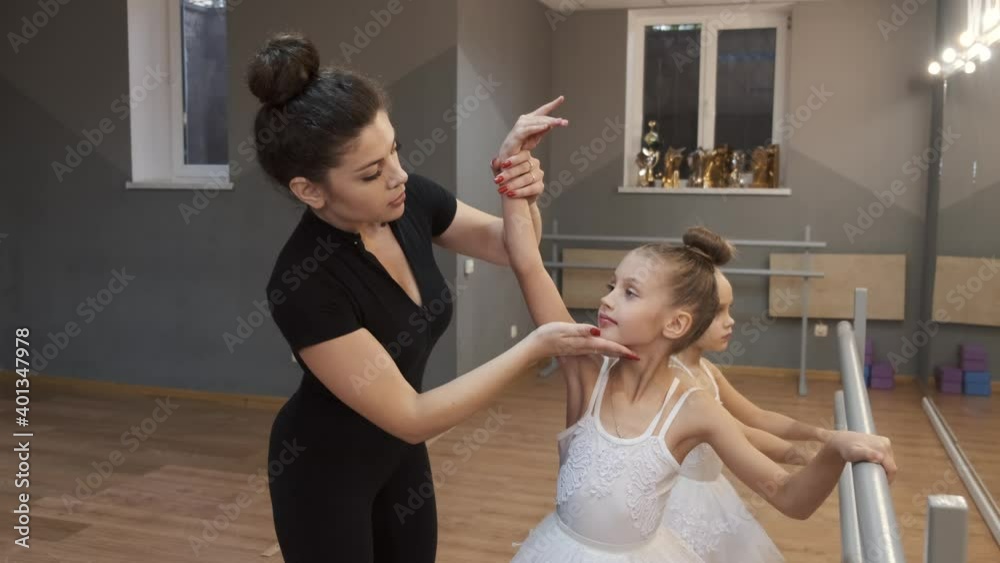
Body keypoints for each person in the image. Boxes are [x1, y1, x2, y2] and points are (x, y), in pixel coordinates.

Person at [250, 33, 637, 563]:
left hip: (400, 458)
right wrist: (532, 349)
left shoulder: (409, 202)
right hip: (322, 469)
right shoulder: (303, 281)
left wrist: (513, 184)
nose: (398, 176)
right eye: (371, 172)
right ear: (309, 190)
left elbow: (508, 244)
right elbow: (409, 413)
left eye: (394, 152)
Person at [498, 189, 897, 562]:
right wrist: (516, 191)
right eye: (611, 285)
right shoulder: (584, 370)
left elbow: (790, 497)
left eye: (629, 292)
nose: (607, 298)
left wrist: (832, 450)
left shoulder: (695, 409)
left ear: (675, 324)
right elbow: (528, 264)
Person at [663, 250, 832, 562]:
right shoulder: (675, 380)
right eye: (718, 312)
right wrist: (803, 456)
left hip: (712, 492)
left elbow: (758, 417)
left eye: (730, 309)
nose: (731, 321)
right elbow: (745, 434)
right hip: (679, 504)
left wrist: (820, 434)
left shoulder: (708, 371)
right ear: (683, 316)